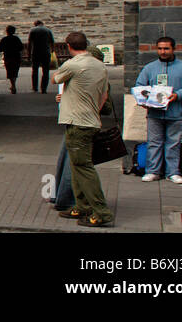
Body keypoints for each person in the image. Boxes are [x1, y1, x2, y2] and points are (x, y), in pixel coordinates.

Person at [52, 32, 113, 227]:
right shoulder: (100, 66)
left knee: (84, 168)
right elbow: (103, 97)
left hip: (77, 123)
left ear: (69, 46)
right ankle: (82, 205)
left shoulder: (74, 64)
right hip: (90, 121)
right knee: (77, 167)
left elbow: (56, 79)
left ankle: (101, 211)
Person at [134, 36, 182, 184]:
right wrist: (143, 100)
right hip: (154, 113)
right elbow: (140, 86)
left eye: (166, 48)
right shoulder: (149, 68)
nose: (163, 51)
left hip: (175, 112)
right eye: (160, 48)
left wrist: (178, 95)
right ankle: (152, 171)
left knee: (173, 143)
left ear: (173, 49)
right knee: (154, 142)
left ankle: (173, 172)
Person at [28, 20, 55, 93]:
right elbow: (52, 42)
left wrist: (29, 54)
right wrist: (52, 51)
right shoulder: (48, 30)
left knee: (35, 70)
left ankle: (35, 87)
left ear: (35, 24)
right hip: (46, 52)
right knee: (46, 71)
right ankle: (44, 88)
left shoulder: (33, 30)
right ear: (42, 23)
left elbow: (30, 43)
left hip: (35, 52)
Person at [0, 25, 23, 94]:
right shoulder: (16, 39)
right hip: (16, 57)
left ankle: (13, 86)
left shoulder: (4, 39)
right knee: (15, 71)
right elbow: (21, 48)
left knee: (9, 71)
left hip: (8, 57)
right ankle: (13, 85)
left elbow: (0, 49)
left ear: (6, 31)